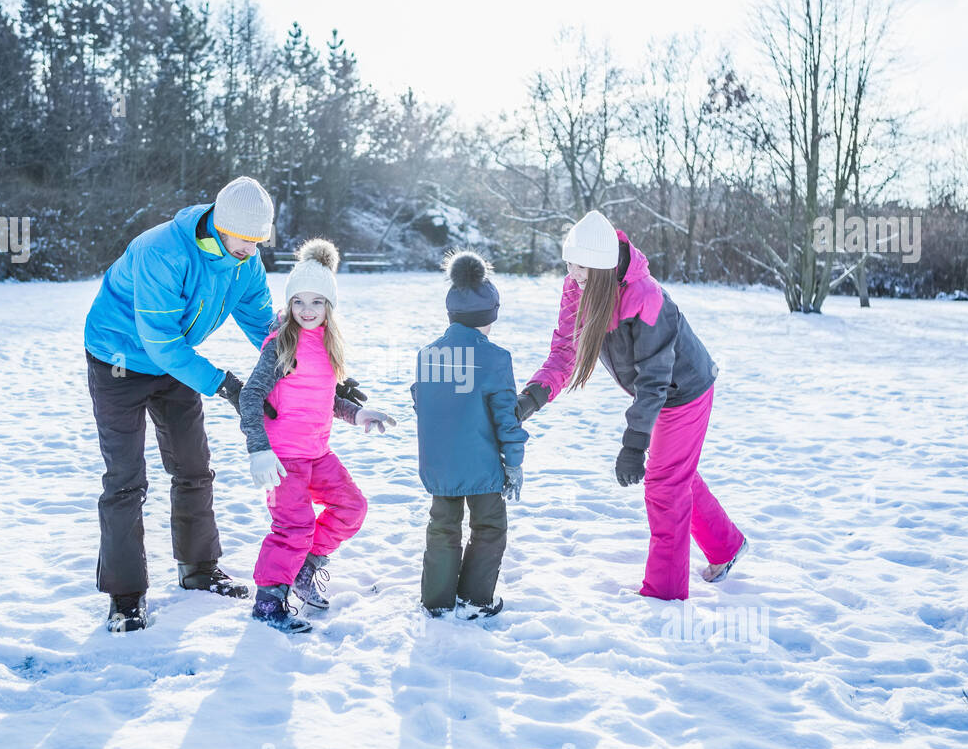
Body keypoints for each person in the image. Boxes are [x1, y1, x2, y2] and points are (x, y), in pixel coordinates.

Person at [515, 210, 747, 601]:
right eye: (568, 263)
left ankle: (665, 594)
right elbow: (565, 350)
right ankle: (725, 547)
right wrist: (532, 397)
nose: (570, 273)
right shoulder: (579, 287)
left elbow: (656, 380)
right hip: (654, 392)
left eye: (578, 266)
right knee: (677, 472)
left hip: (682, 390)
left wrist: (634, 443)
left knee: (664, 485)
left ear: (602, 267)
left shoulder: (645, 297)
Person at [83, 176, 279, 633]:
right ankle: (125, 595)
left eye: (259, 242)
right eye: (244, 241)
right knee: (125, 480)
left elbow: (265, 328)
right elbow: (162, 343)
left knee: (193, 467)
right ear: (219, 224)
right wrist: (226, 385)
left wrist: (309, 366)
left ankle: (198, 569)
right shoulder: (161, 252)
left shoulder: (244, 262)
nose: (251, 251)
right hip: (119, 360)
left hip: (175, 364)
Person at [239, 239, 396, 633]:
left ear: (330, 307)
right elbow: (251, 395)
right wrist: (259, 450)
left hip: (317, 453)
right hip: (282, 458)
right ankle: (269, 602)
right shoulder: (281, 346)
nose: (307, 310)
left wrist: (357, 413)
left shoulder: (328, 346)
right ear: (289, 305)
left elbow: (326, 400)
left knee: (351, 507)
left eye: (317, 302)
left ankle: (305, 569)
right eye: (298, 302)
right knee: (293, 527)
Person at [411, 252, 528, 618]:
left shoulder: (427, 356)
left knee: (442, 528)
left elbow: (421, 400)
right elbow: (506, 419)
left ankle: (436, 601)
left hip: (440, 466)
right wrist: (514, 463)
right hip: (482, 466)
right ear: (488, 317)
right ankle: (475, 599)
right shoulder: (495, 358)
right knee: (489, 527)